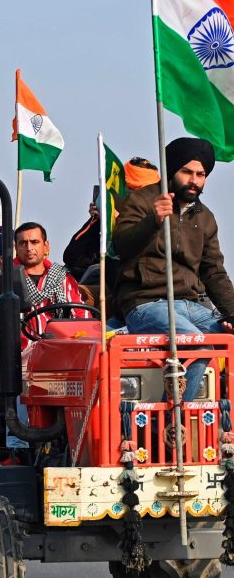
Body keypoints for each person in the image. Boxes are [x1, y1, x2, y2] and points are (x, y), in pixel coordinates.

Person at [113, 137, 234, 401]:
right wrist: (153, 221)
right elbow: (121, 245)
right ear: (171, 170)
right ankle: (174, 424)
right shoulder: (142, 201)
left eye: (201, 174)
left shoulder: (205, 217)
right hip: (145, 303)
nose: (194, 180)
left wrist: (233, 313)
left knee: (221, 341)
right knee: (196, 342)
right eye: (187, 172)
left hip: (189, 306)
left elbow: (213, 271)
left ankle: (223, 427)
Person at [63, 156, 161, 286]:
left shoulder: (163, 220)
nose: (136, 198)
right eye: (129, 191)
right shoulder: (107, 218)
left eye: (142, 192)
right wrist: (100, 222)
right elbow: (73, 258)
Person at [15, 221, 90, 340]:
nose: (29, 248)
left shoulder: (62, 277)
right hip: (19, 351)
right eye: (23, 243)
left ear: (46, 246)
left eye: (35, 242)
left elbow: (81, 313)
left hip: (59, 347)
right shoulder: (4, 276)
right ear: (16, 248)